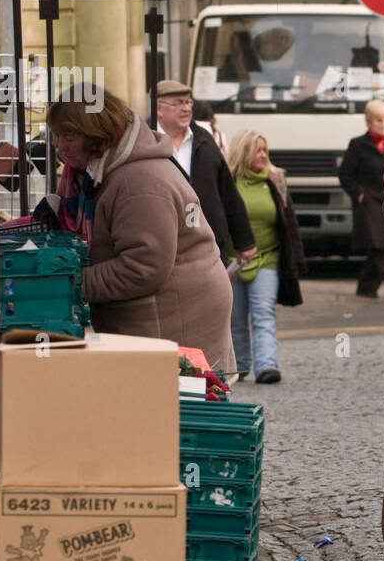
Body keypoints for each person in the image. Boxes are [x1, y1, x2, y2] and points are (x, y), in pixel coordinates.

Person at [45, 86, 235, 371]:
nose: (60, 147)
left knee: (179, 409)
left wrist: (72, 283)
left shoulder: (138, 183)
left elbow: (142, 268)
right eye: (57, 136)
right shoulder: (111, 172)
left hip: (174, 322)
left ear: (96, 133)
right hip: (166, 317)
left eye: (69, 136)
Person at [226, 130, 306, 383]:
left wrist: (297, 258)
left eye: (265, 150)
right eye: (257, 150)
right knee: (235, 317)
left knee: (263, 313)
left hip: (267, 258)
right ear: (243, 152)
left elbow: (289, 222)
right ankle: (239, 365)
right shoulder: (227, 181)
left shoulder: (275, 180)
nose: (262, 155)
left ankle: (267, 366)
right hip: (233, 261)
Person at [154, 79, 256, 265]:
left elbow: (228, 192)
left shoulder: (204, 139)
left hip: (211, 243)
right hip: (164, 245)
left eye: (188, 102)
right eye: (178, 103)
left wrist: (244, 241)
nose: (186, 109)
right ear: (158, 109)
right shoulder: (146, 140)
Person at [339, 99, 384, 300]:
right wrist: (358, 193)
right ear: (369, 121)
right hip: (367, 201)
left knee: (383, 243)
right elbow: (345, 175)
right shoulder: (358, 145)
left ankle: (366, 287)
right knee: (378, 243)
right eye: (378, 120)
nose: (383, 124)